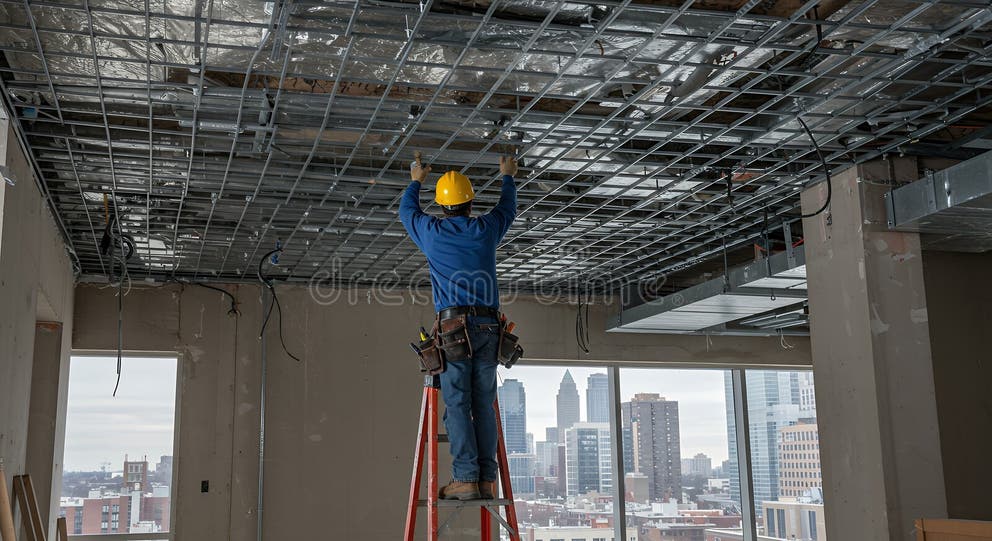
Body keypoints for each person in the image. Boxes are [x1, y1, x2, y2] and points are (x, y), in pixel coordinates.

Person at [399, 154, 518, 501]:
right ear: (469, 202)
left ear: (441, 205)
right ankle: (485, 478)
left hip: (453, 331)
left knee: (457, 404)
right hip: (488, 328)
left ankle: (465, 477)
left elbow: (407, 212)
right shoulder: (484, 230)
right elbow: (506, 209)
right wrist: (507, 175)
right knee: (483, 404)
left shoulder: (432, 233)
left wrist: (415, 178)